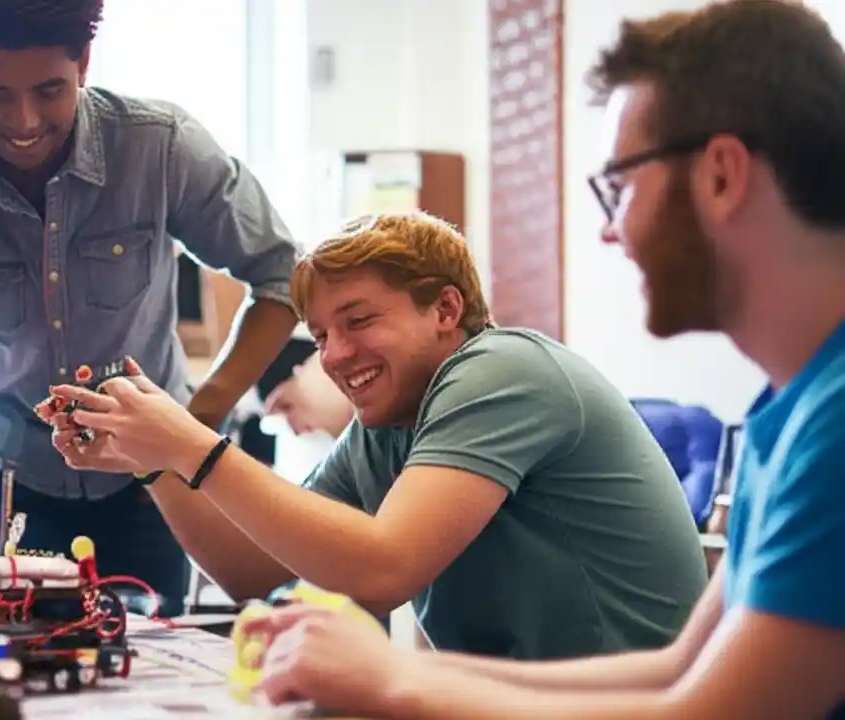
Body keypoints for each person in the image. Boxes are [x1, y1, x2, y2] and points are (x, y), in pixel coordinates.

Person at [231, 2, 845, 718]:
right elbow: (677, 671)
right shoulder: (791, 410)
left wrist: (395, 682)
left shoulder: (835, 425)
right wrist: (386, 670)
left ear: (721, 175)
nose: (610, 230)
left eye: (619, 186)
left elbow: (715, 713)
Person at [44, 210, 709, 659]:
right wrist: (156, 463)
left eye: (358, 321)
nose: (334, 356)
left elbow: (383, 569)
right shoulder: (392, 422)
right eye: (321, 335)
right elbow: (259, 570)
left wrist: (190, 442)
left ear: (445, 308)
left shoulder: (503, 369)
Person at [0, 0, 298, 615]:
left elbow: (281, 275)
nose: (23, 121)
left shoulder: (161, 148)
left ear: (84, 62)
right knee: (1, 656)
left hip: (153, 485)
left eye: (49, 91)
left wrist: (199, 417)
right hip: (13, 479)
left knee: (153, 656)